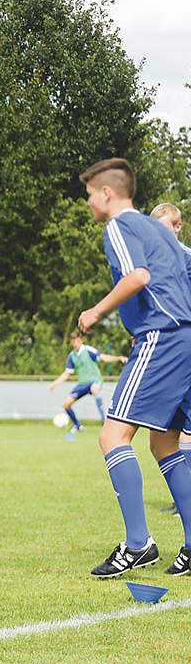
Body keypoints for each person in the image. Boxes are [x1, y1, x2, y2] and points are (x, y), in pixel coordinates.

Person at [76, 159, 191, 578]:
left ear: (107, 193)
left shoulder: (119, 227)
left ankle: (139, 543)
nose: (88, 201)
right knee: (164, 444)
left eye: (90, 193)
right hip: (185, 340)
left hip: (161, 336)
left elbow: (138, 276)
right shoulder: (161, 231)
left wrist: (96, 311)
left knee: (112, 435)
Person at [150, 201, 191, 516]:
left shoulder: (187, 260)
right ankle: (184, 501)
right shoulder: (150, 267)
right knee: (164, 438)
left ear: (178, 227)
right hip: (167, 360)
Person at [46, 332, 126, 434]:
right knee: (66, 404)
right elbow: (67, 374)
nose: (76, 343)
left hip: (95, 380)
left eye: (77, 341)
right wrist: (54, 384)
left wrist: (119, 358)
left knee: (94, 388)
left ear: (81, 340)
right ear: (71, 342)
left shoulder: (88, 350)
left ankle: (104, 422)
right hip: (82, 384)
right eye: (74, 341)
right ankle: (78, 426)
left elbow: (104, 357)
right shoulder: (72, 356)